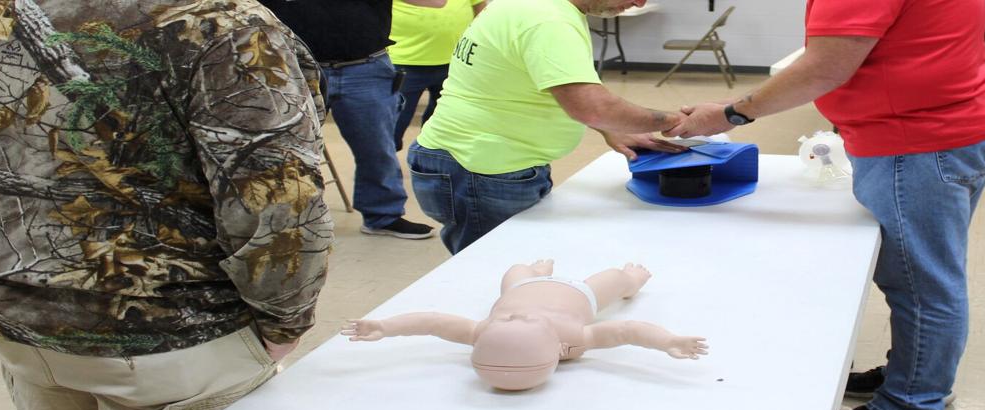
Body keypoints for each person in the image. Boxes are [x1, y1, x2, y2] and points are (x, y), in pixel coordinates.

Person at [0, 0, 333, 410]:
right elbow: (280, 198)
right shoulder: (223, 22)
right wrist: (284, 321)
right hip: (173, 334)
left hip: (15, 316)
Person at [669, 0, 985, 410]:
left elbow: (825, 68)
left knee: (921, 284)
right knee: (927, 273)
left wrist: (732, 113)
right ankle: (916, 376)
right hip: (956, 124)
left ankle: (910, 409)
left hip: (918, 142)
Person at [408, 0, 688, 253]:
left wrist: (610, 127)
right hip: (480, 168)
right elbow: (593, 107)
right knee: (497, 270)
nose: (639, 2)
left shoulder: (535, 6)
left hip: (470, 159)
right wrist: (678, 120)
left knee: (501, 264)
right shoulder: (548, 20)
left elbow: (545, 83)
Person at [341, 259, 707, 390]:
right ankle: (633, 281)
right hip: (580, 293)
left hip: (519, 287)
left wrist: (386, 326)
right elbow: (629, 331)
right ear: (557, 350)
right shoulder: (576, 337)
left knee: (515, 270)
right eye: (526, 321)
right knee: (612, 277)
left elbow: (432, 322)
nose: (515, 315)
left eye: (504, 320)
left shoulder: (480, 332)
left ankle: (535, 269)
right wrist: (667, 341)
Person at [258, 0, 446, 239]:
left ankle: (383, 216)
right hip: (292, 66)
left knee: (377, 148)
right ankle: (285, 220)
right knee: (285, 151)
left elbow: (436, 2)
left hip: (365, 66)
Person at [390, 0, 488, 150]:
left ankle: (430, 159)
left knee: (444, 126)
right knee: (393, 125)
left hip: (456, 62)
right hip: (403, 62)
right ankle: (385, 164)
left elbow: (480, 10)